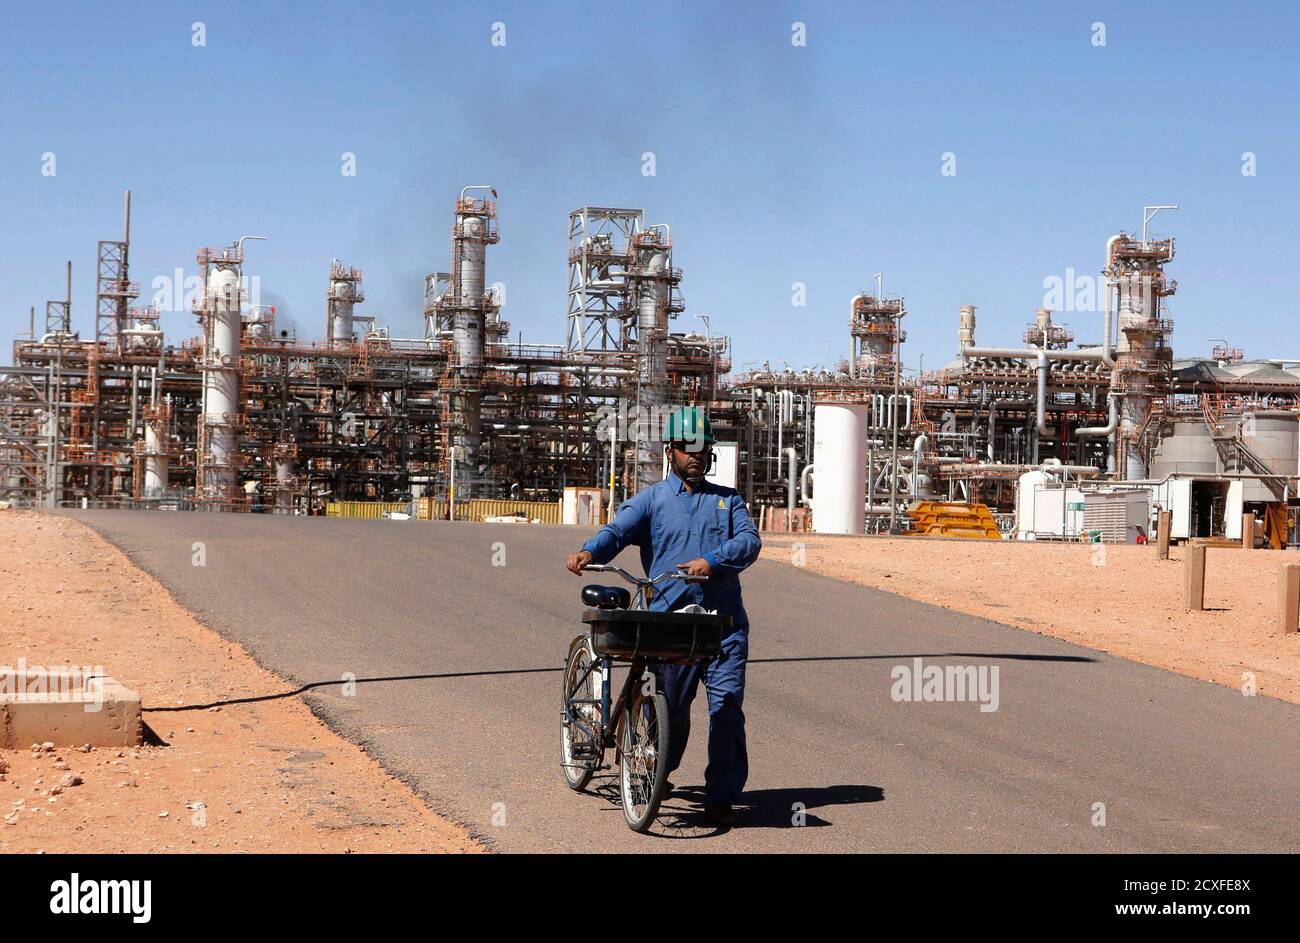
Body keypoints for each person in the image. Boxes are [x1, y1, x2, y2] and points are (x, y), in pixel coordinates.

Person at [565, 406, 761, 826]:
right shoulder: (652, 500)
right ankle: (657, 772)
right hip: (669, 627)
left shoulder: (728, 502)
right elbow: (617, 531)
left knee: (726, 707)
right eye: (687, 448)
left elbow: (750, 542)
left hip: (721, 627)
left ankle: (721, 795)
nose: (696, 456)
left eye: (703, 449)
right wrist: (590, 550)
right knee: (670, 710)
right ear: (669, 450)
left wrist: (713, 559)